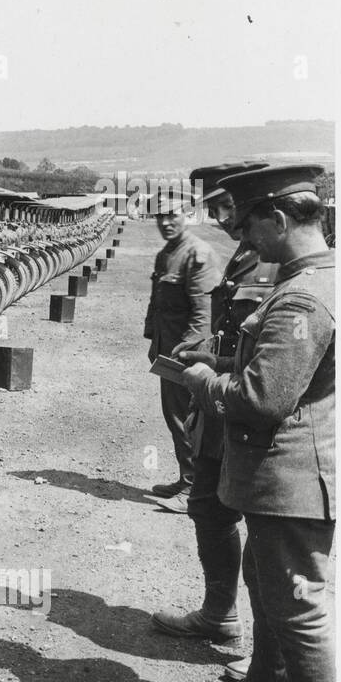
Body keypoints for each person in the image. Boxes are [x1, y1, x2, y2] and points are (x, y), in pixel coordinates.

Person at [181, 164, 334, 682]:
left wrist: (205, 379)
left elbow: (263, 398)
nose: (244, 241)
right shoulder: (319, 279)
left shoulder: (301, 294)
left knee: (298, 603)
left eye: (249, 226)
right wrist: (224, 357)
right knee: (270, 585)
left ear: (277, 217)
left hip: (293, 477)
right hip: (292, 476)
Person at [150, 162, 272, 640]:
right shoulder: (246, 254)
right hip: (223, 402)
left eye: (228, 207)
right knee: (207, 506)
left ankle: (268, 663)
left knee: (265, 536)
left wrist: (210, 366)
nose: (223, 218)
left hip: (247, 412)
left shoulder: (270, 261)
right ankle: (220, 613)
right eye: (215, 208)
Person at [143, 197, 217, 505]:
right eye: (160, 217)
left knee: (189, 419)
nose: (165, 222)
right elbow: (156, 303)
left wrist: (183, 353)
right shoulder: (166, 254)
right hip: (167, 348)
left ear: (187, 214)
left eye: (172, 215)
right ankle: (187, 478)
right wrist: (153, 340)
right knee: (174, 416)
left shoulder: (197, 254)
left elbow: (203, 314)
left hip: (187, 352)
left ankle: (195, 488)